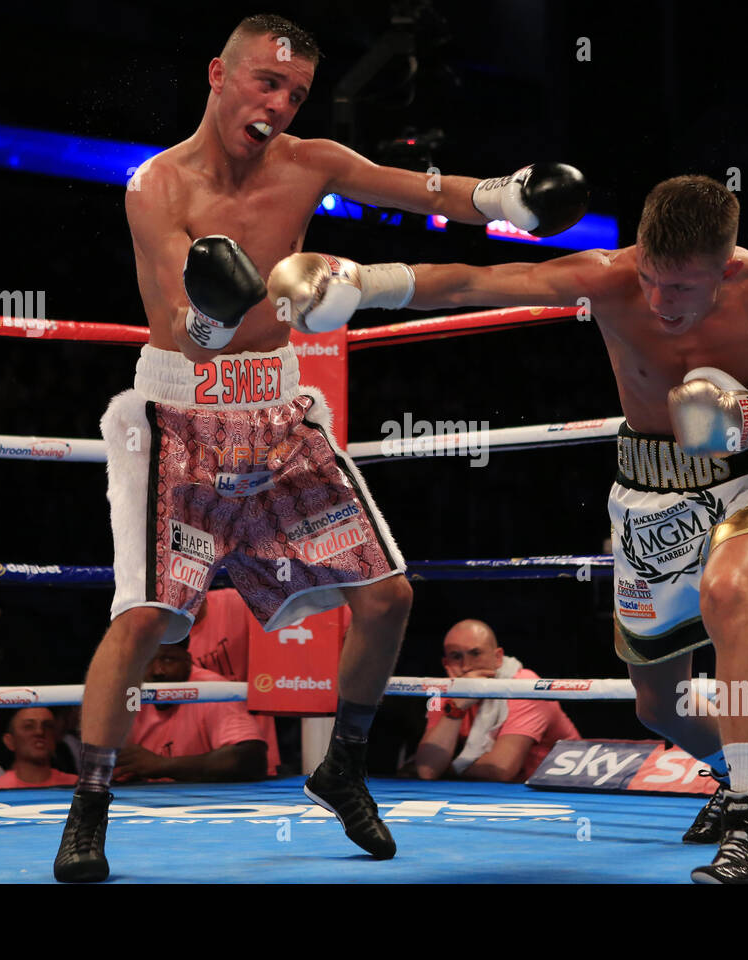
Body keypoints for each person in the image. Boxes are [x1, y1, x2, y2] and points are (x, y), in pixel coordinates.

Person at [54, 13, 586, 883]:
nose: (279, 102)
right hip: (180, 419)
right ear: (218, 72)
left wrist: (506, 199)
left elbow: (420, 189)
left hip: (276, 411)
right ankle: (91, 807)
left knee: (387, 597)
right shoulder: (154, 186)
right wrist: (229, 302)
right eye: (266, 81)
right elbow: (186, 321)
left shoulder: (311, 162)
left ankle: (342, 763)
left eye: (295, 91)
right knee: (146, 615)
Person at [274, 175, 748, 884]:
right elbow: (479, 283)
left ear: (726, 266)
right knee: (658, 704)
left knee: (729, 596)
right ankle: (734, 773)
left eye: (683, 289)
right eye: (653, 280)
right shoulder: (607, 277)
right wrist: (361, 280)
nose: (661, 304)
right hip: (648, 488)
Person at [412, 619, 580, 782]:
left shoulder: (525, 686)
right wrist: (458, 705)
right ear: (446, 663)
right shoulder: (445, 691)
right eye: (456, 656)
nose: (466, 666)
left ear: (498, 657)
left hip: (565, 790)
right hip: (500, 793)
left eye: (475, 653)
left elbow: (500, 769)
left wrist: (447, 769)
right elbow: (427, 770)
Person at [116, 642, 266, 783]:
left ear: (188, 661)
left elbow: (251, 758)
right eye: (147, 659)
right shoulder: (131, 692)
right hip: (151, 799)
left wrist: (162, 765)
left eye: (168, 660)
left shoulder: (211, 690)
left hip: (210, 800)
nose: (157, 671)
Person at [186, 587, 284, 775]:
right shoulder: (152, 629)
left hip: (249, 745)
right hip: (185, 749)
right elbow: (131, 698)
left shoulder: (238, 603)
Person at [0, 707, 78, 789]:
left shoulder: (78, 786)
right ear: (10, 741)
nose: (39, 732)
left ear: (55, 737)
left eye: (47, 726)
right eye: (28, 726)